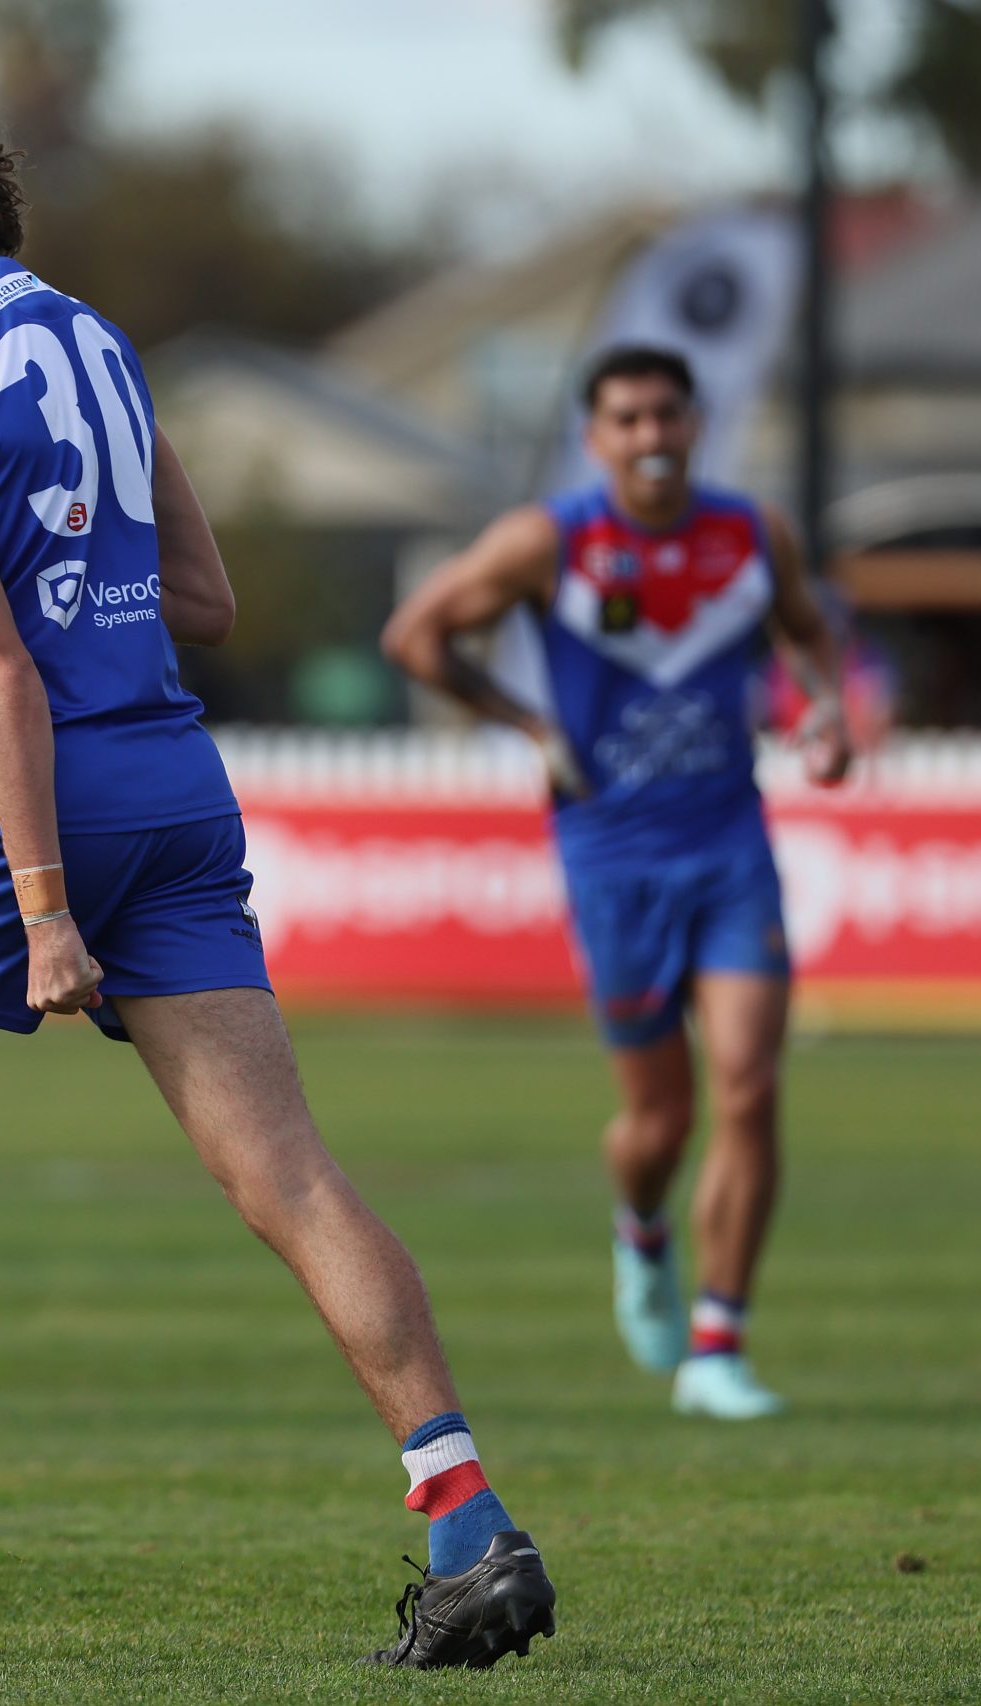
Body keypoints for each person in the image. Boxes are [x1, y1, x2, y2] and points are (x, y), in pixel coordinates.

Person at [0, 64, 555, 1669]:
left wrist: (48, 913)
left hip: (20, 810)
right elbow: (197, 593)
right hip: (175, 779)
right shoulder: (94, 339)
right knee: (287, 1173)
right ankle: (471, 1522)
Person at [384, 345, 850, 1422]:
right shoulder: (551, 541)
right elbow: (415, 635)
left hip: (731, 843)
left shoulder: (752, 533)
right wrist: (526, 723)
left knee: (749, 1082)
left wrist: (821, 708)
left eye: (666, 417)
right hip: (612, 857)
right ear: (595, 438)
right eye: (627, 419)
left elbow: (809, 632)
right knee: (659, 1119)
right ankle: (641, 1230)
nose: (649, 437)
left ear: (695, 426)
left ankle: (716, 1347)